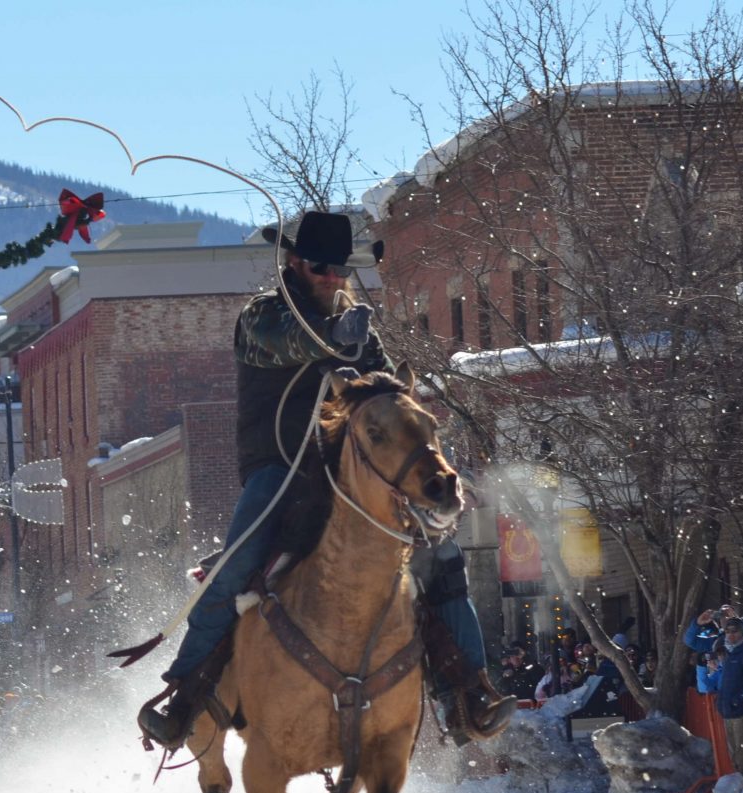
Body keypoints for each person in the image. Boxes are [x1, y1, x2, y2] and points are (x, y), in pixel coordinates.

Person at [136, 211, 512, 749]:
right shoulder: (262, 316)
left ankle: (466, 692)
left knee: (443, 561)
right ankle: (184, 698)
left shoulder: (360, 326)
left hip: (354, 476)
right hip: (280, 470)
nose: (333, 277)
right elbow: (286, 342)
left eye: (341, 268)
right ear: (294, 263)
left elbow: (392, 400)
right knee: (238, 563)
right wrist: (333, 338)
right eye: (321, 266)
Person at [684, 609, 743, 776]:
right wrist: (698, 623)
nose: (730, 634)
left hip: (742, 709)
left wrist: (738, 699)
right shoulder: (726, 650)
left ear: (742, 631)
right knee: (734, 754)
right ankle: (741, 787)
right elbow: (689, 640)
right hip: (728, 709)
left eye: (734, 630)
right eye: (727, 630)